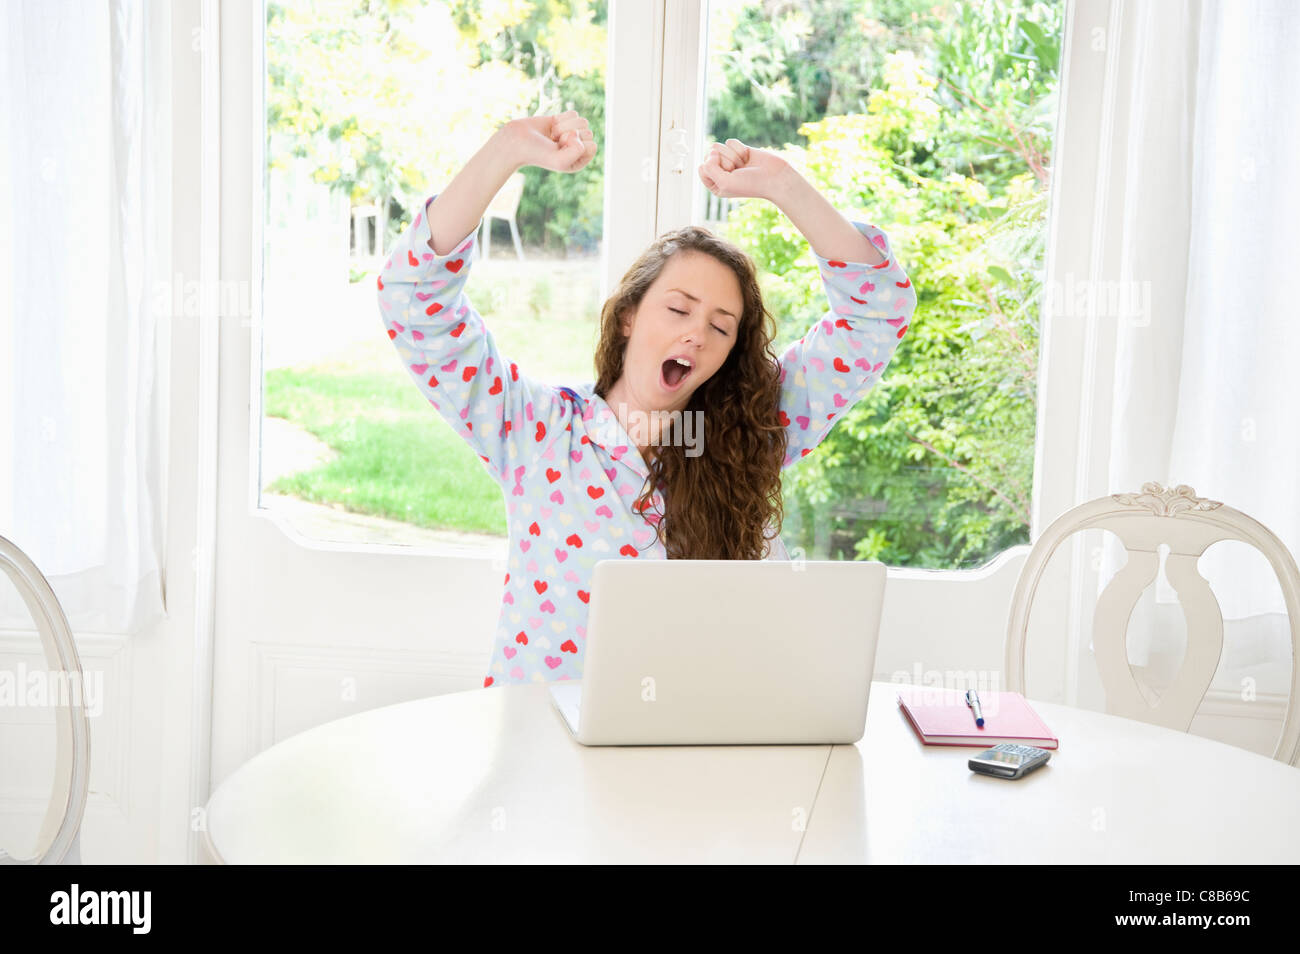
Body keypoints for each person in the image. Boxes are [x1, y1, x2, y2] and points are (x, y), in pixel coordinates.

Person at [377, 111, 918, 687]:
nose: (696, 334)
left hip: (700, 745)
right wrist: (506, 150)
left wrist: (783, 185)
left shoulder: (752, 432)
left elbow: (878, 313)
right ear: (631, 315)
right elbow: (413, 300)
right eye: (679, 309)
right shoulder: (535, 430)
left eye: (721, 326)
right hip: (542, 753)